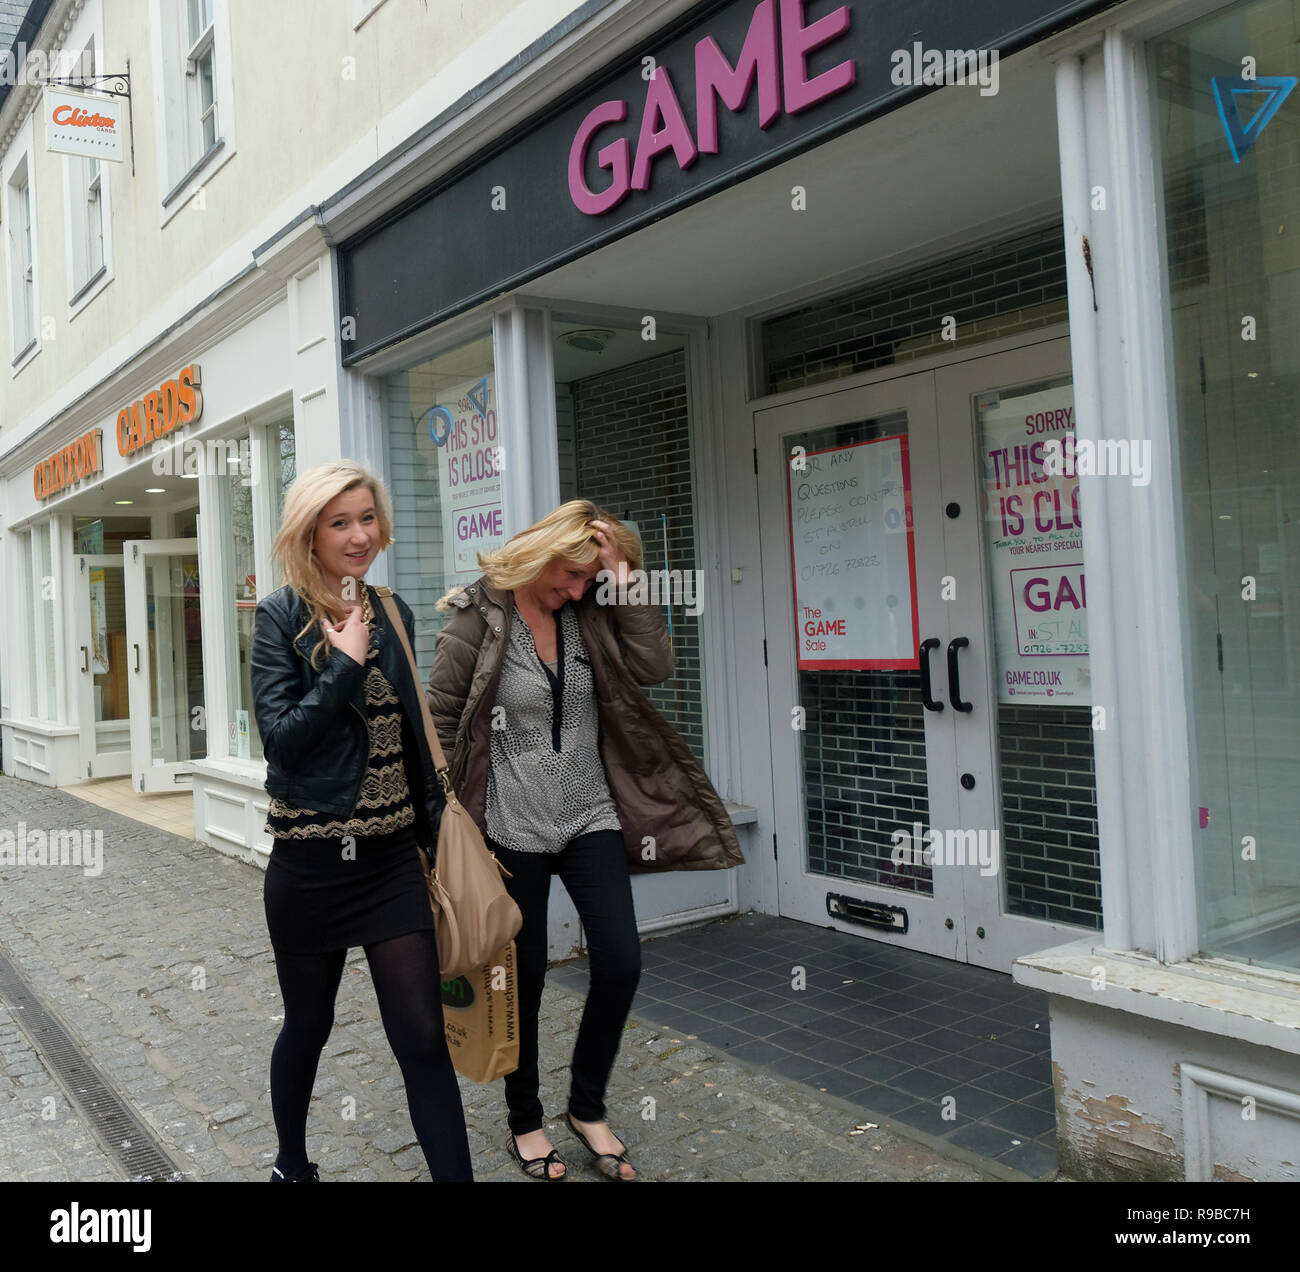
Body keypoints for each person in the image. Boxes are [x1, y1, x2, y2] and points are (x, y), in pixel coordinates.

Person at [426, 500, 743, 1180]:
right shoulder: (476, 618)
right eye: (571, 575)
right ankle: (525, 1120)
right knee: (525, 980)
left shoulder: (592, 610)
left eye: (590, 579)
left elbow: (655, 666)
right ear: (543, 554)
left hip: (588, 812)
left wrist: (626, 589)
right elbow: (442, 719)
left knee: (622, 960)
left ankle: (586, 1105)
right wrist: (445, 824)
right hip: (510, 823)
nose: (577, 589)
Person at [250, 460, 473, 1182]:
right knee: (308, 1027)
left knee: (422, 1038)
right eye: (339, 522)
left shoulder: (394, 610)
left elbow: (414, 736)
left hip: (387, 863)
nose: (358, 535)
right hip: (311, 866)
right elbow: (282, 740)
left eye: (367, 519)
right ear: (310, 532)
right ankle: (291, 1163)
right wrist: (341, 665)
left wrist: (436, 835)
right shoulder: (280, 615)